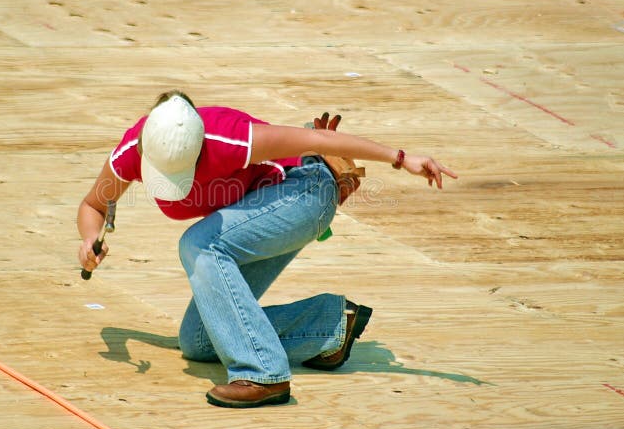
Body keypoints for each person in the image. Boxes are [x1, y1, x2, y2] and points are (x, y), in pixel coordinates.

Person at [77, 91, 457, 408]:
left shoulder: (229, 138)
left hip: (304, 191)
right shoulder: (132, 148)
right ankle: (330, 324)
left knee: (198, 244)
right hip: (259, 212)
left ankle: (262, 374)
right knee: (200, 341)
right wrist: (89, 241)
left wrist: (403, 159)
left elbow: (320, 142)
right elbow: (93, 206)